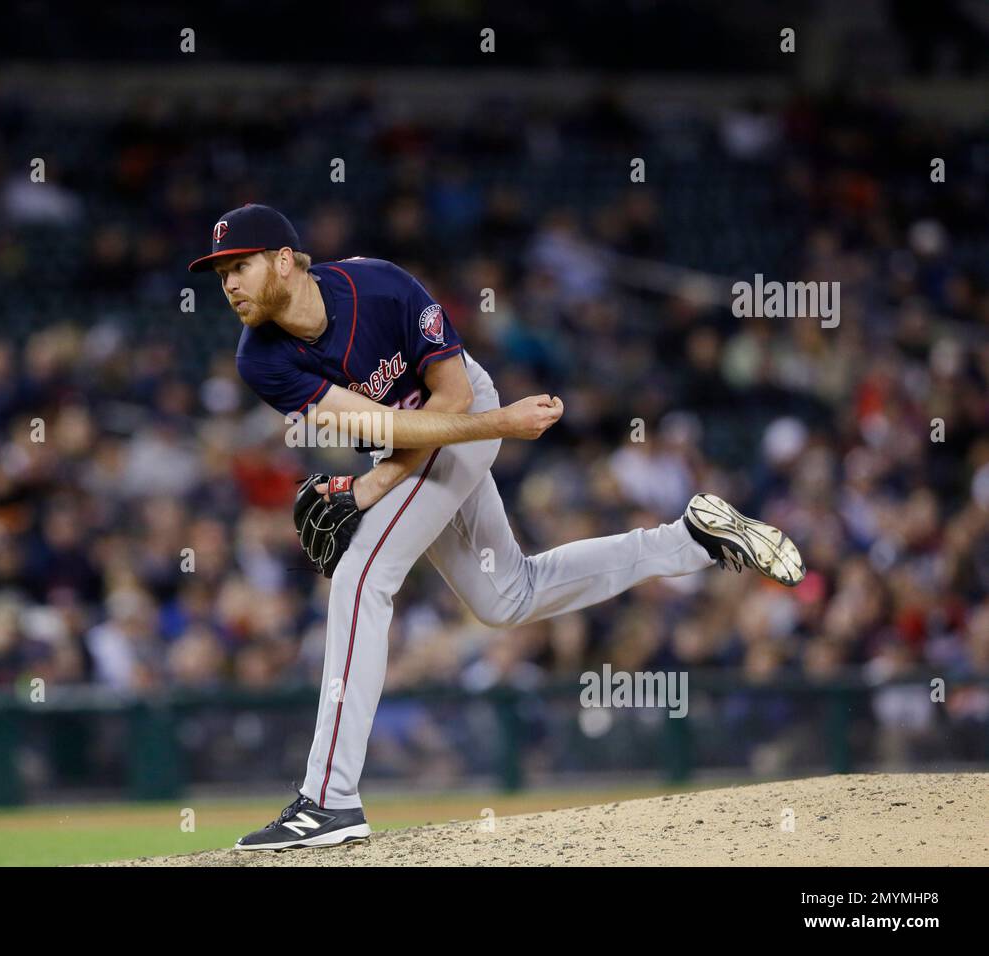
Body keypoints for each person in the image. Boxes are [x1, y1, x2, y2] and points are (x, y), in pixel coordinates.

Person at [188, 204, 805, 851]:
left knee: (360, 576)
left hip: (466, 410)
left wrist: (451, 447)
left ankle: (329, 799)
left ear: (284, 261)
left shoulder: (379, 286)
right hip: (418, 442)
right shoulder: (259, 358)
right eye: (221, 272)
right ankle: (689, 540)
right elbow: (384, 431)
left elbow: (451, 402)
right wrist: (383, 475)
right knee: (506, 595)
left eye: (240, 266)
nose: (228, 283)